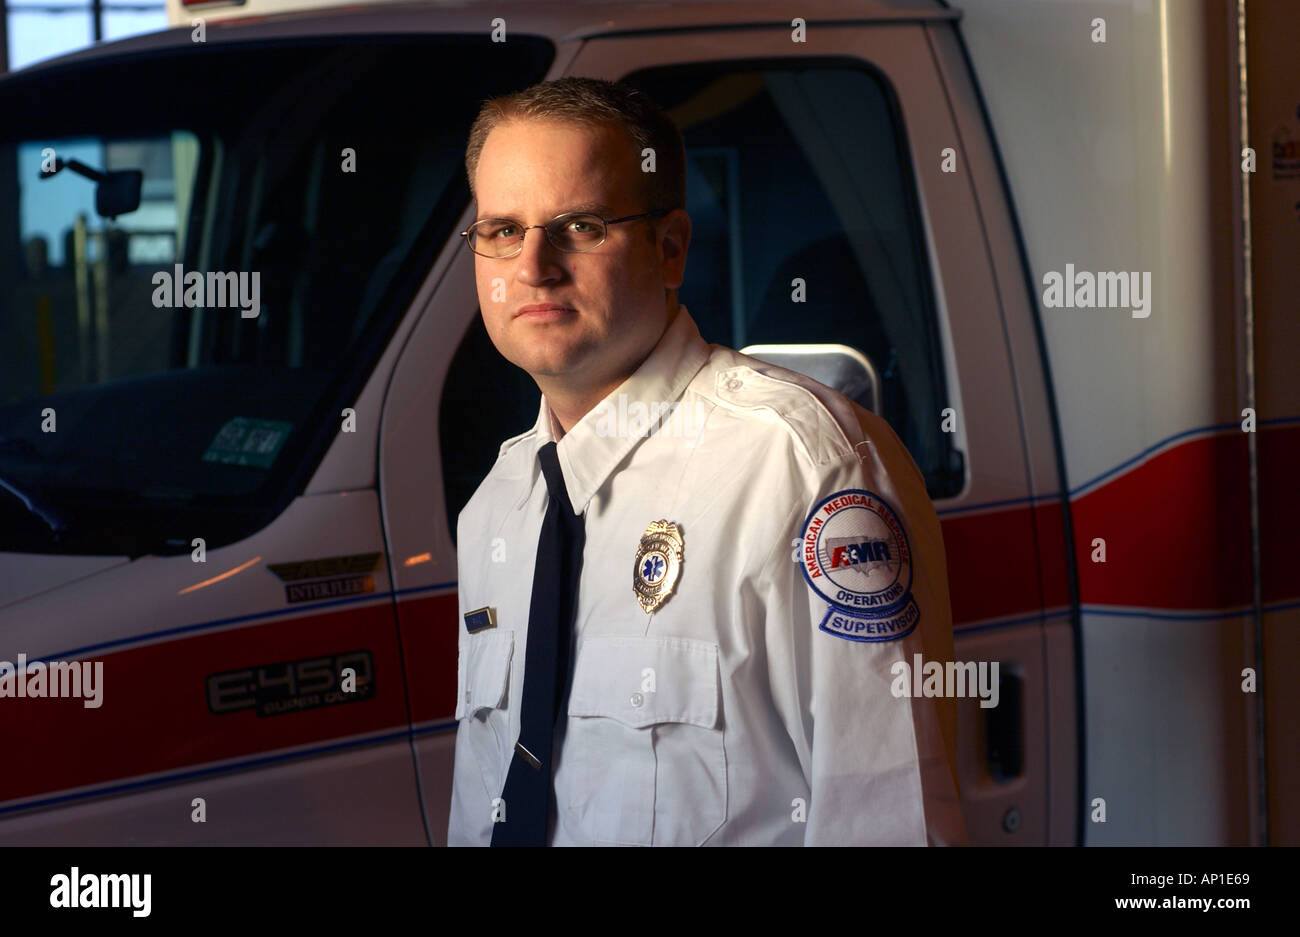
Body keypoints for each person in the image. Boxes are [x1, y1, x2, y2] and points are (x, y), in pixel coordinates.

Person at [447, 76, 967, 846]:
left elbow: (891, 824)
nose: (532, 266)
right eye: (501, 230)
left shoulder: (799, 465)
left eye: (580, 226)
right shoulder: (498, 505)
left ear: (671, 249)